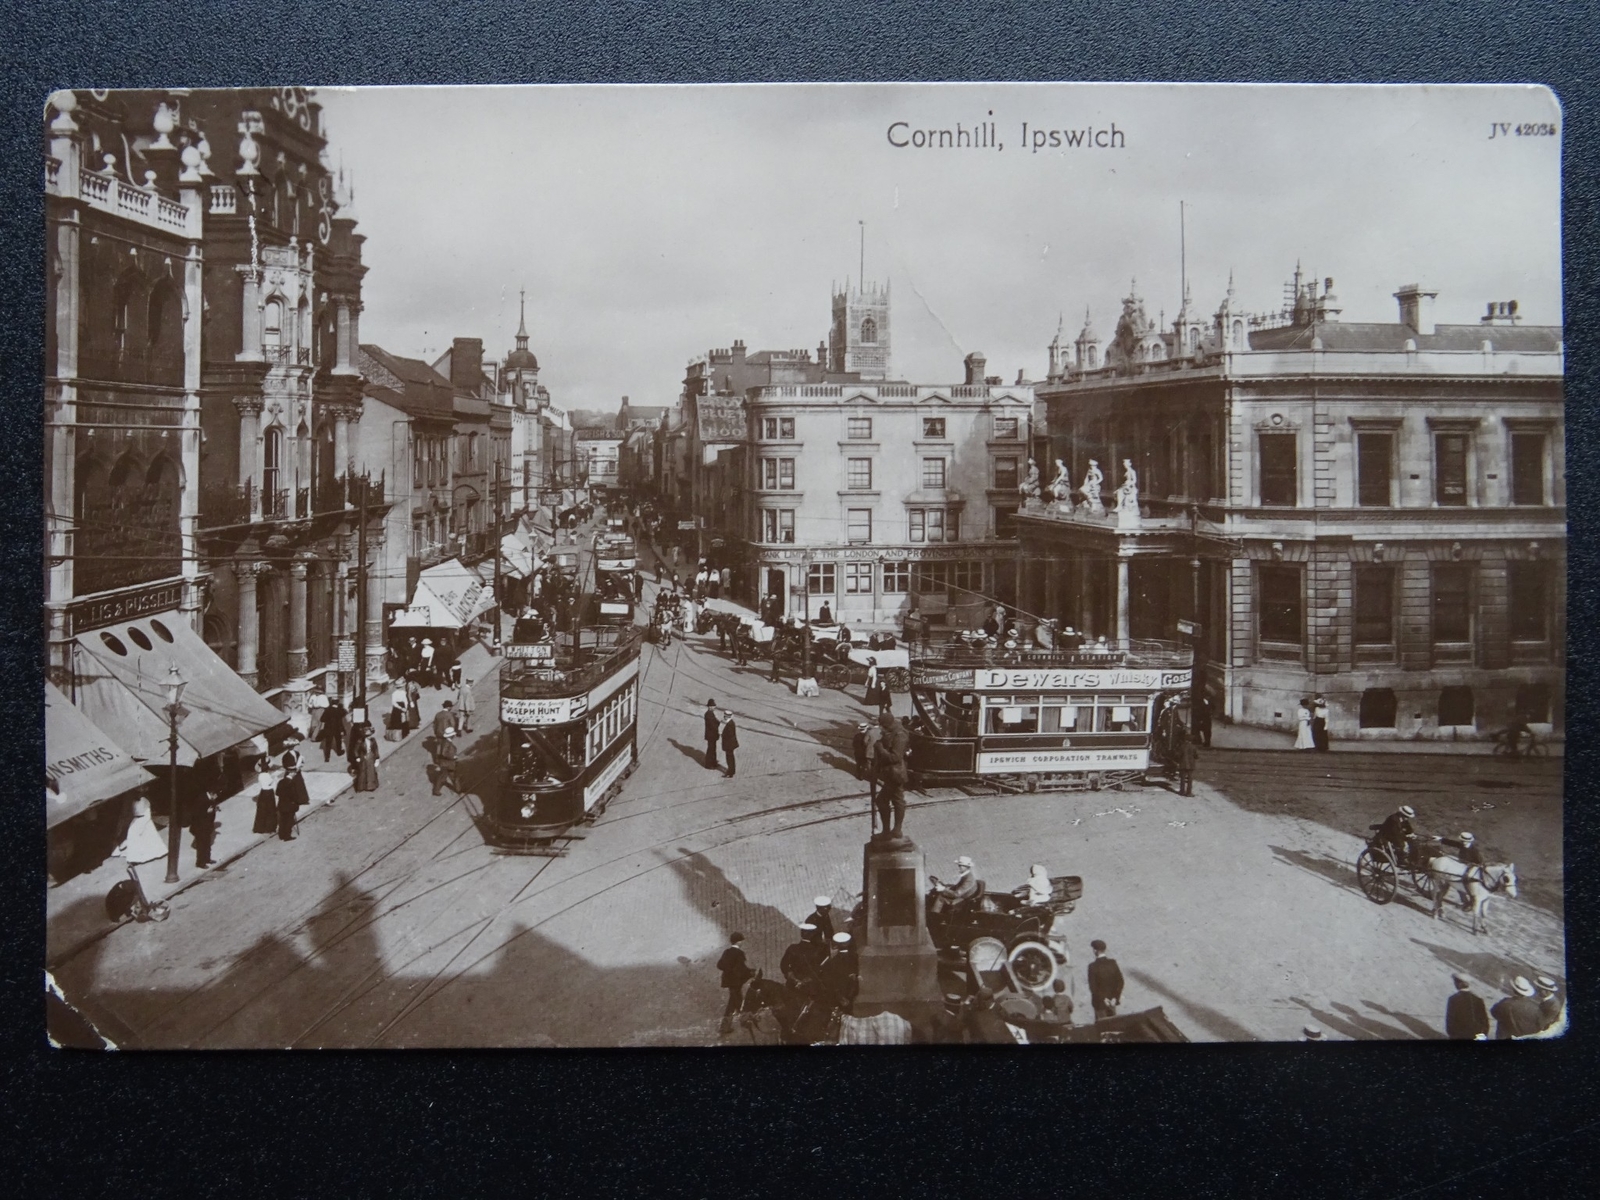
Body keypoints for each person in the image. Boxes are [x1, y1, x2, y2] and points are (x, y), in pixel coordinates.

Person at [716, 932, 753, 1035]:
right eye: (742, 941)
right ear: (739, 942)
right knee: (736, 1001)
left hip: (729, 981)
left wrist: (729, 971)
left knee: (734, 1001)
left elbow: (719, 965)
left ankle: (727, 1026)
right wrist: (750, 973)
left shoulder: (726, 952)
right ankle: (743, 1021)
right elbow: (741, 968)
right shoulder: (739, 953)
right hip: (736, 981)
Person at [817, 931, 859, 1012]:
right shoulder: (855, 958)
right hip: (851, 995)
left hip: (837, 997)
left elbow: (828, 981)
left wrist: (840, 997)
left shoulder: (832, 961)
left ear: (837, 945)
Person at [1087, 939, 1125, 1021]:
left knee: (1102, 1027)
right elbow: (1120, 982)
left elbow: (1093, 987)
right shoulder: (1112, 963)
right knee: (1113, 1025)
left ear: (1095, 950)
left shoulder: (1092, 966)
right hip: (1112, 1001)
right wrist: (1115, 997)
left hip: (1099, 1003)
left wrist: (1104, 998)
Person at [1445, 973, 1491, 1040]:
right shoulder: (1478, 1000)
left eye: (1455, 982)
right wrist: (1482, 1036)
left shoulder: (1453, 999)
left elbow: (1450, 1022)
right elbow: (1485, 1022)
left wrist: (1452, 1035)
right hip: (1475, 1036)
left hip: (1458, 1036)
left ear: (1459, 984)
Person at [781, 924, 825, 992]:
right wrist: (806, 980)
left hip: (793, 985)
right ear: (813, 935)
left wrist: (795, 980)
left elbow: (784, 965)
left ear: (801, 933)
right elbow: (820, 968)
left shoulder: (792, 948)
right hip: (811, 987)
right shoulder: (817, 950)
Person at [189, 787, 219, 869]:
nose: (216, 796)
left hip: (207, 826)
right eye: (216, 795)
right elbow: (195, 814)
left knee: (207, 843)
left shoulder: (209, 799)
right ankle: (200, 863)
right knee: (201, 845)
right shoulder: (201, 799)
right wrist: (206, 812)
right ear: (212, 793)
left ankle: (207, 859)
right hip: (199, 827)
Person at [278, 738, 310, 811]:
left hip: (297, 771)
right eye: (290, 746)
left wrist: (300, 765)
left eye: (292, 746)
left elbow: (301, 761)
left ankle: (302, 800)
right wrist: (293, 767)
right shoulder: (286, 756)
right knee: (292, 786)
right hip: (290, 772)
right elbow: (285, 765)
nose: (291, 747)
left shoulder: (297, 753)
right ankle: (294, 800)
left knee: (300, 784)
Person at [320, 695, 348, 762]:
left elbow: (322, 719)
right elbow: (345, 713)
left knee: (328, 743)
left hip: (328, 728)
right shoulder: (339, 710)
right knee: (338, 741)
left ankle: (327, 758)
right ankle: (339, 752)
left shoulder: (328, 710)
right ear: (337, 702)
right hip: (337, 728)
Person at [251, 767, 278, 834]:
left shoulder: (260, 775)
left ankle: (260, 828)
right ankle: (270, 828)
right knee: (271, 810)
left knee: (262, 810)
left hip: (263, 792)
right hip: (269, 792)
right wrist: (274, 779)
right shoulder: (267, 775)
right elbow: (269, 783)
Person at [353, 728, 380, 793]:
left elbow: (375, 750)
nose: (370, 736)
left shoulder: (373, 741)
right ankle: (361, 787)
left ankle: (371, 786)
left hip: (371, 757)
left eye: (370, 735)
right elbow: (355, 750)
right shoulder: (360, 741)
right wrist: (357, 757)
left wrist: (377, 758)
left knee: (371, 772)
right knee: (362, 772)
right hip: (363, 758)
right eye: (368, 735)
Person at [1173, 725, 1198, 797]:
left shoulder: (1182, 746)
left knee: (1182, 778)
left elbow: (1178, 755)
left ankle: (1182, 791)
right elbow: (1196, 756)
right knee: (1190, 779)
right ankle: (1189, 792)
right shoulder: (1193, 747)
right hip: (1191, 765)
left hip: (1183, 764)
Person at [274, 771, 300, 841]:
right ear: (290, 773)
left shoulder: (280, 782)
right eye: (294, 773)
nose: (295, 774)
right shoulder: (292, 783)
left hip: (281, 804)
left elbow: (277, 793)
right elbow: (294, 795)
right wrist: (296, 803)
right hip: (289, 805)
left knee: (282, 820)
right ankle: (287, 836)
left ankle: (281, 835)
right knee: (289, 821)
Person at [720, 710, 739, 778]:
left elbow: (729, 734)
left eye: (726, 716)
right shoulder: (730, 722)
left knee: (729, 758)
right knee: (730, 757)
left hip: (729, 744)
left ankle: (730, 772)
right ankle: (731, 771)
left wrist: (722, 734)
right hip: (731, 744)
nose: (725, 717)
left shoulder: (730, 724)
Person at [703, 699, 721, 771]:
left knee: (713, 749)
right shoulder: (708, 714)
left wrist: (720, 723)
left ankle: (713, 762)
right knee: (711, 749)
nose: (714, 707)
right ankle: (709, 764)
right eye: (713, 706)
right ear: (710, 707)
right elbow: (712, 725)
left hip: (712, 735)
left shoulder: (711, 713)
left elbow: (716, 721)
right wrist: (718, 727)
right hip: (711, 735)